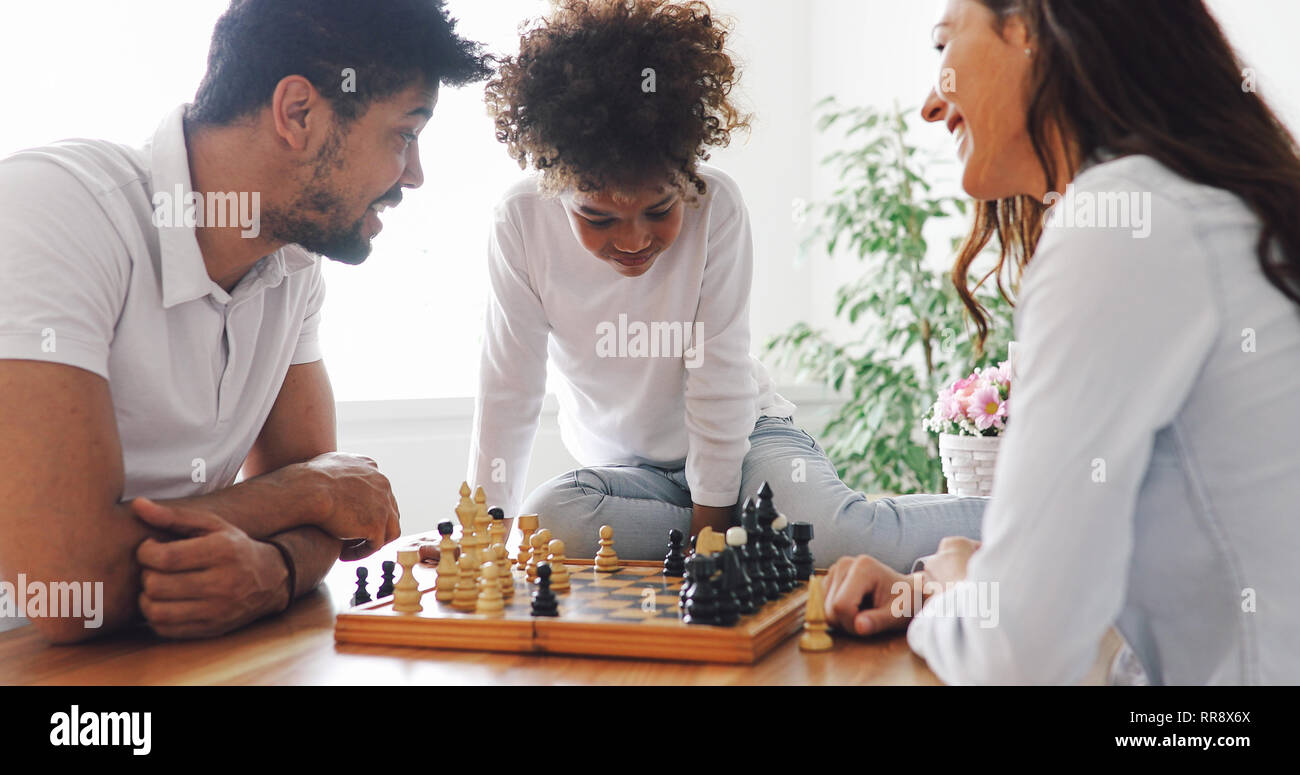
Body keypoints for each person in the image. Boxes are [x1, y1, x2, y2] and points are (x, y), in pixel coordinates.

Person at [825, 0, 1300, 684]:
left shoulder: (1127, 224)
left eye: (942, 45)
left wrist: (963, 594)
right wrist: (976, 586)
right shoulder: (1215, 206)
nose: (932, 105)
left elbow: (1018, 657)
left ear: (1027, 26)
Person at [0, 0, 489, 642]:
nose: (416, 176)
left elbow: (339, 515)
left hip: (158, 649)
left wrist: (277, 568)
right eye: (404, 134)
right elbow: (65, 585)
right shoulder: (49, 210)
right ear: (298, 114)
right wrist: (295, 496)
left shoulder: (292, 263)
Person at [467, 0, 986, 567]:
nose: (636, 240)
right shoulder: (520, 220)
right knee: (549, 522)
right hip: (634, 477)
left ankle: (1021, 514)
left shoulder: (717, 206)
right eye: (599, 219)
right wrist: (481, 533)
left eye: (660, 208)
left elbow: (717, 374)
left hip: (750, 444)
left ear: (687, 173)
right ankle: (772, 540)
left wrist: (712, 530)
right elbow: (509, 387)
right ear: (556, 183)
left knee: (835, 541)